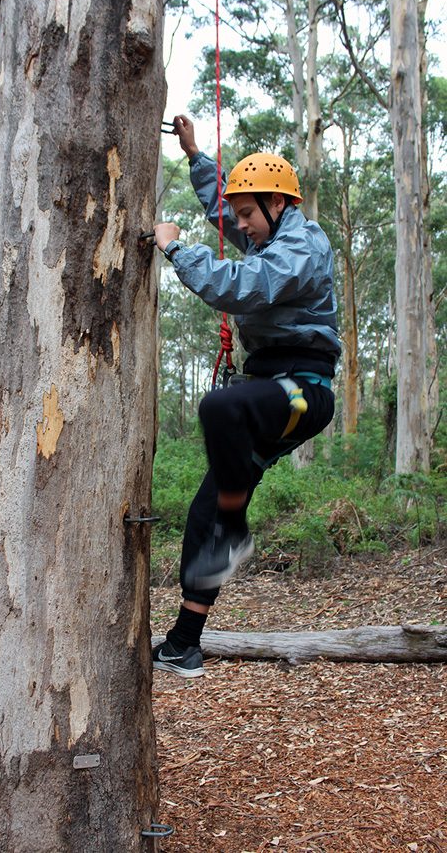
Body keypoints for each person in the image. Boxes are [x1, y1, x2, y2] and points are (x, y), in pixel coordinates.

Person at [152, 114, 340, 678]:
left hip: (302, 391)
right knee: (205, 511)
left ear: (277, 206)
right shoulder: (268, 229)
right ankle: (185, 641)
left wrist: (176, 250)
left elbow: (242, 286)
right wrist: (193, 157)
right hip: (267, 393)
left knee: (218, 408)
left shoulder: (302, 244)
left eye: (249, 215)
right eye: (239, 216)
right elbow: (223, 209)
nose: (240, 226)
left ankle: (235, 533)